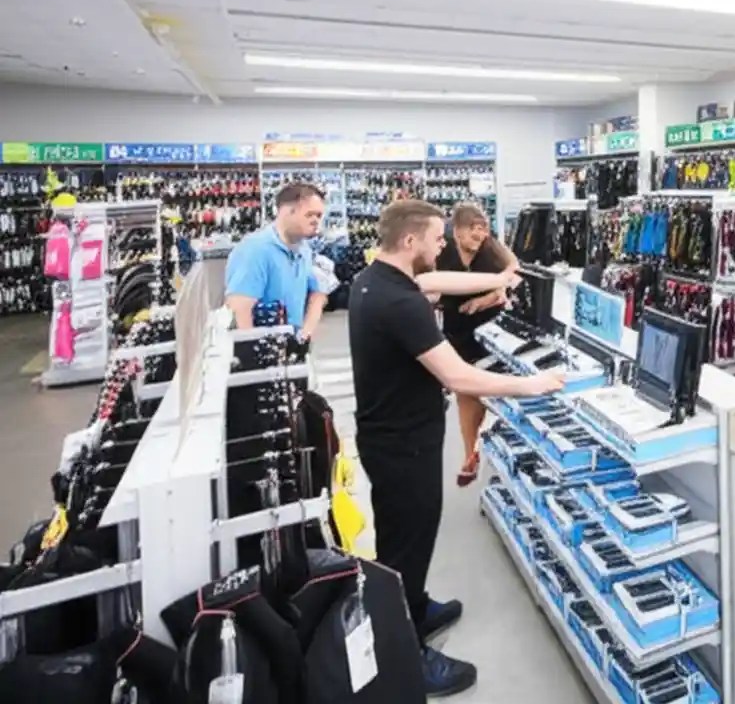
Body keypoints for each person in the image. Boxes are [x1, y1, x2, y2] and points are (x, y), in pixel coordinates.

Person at [347, 200, 563, 696]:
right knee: (406, 544)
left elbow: (442, 284)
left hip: (393, 436)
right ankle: (404, 654)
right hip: (404, 445)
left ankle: (416, 609)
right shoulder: (398, 302)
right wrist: (531, 385)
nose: (443, 246)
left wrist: (501, 279)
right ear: (410, 241)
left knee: (412, 536)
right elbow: (457, 375)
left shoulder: (377, 279)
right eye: (436, 239)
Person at [435, 203, 518, 486]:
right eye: (473, 232)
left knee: (491, 387)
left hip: (491, 326)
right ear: (456, 231)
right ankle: (470, 452)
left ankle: (493, 447)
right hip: (457, 328)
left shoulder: (491, 248)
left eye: (483, 232)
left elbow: (514, 272)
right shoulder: (442, 250)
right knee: (466, 391)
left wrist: (487, 297)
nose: (479, 237)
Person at [224, 182, 328, 337]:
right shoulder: (256, 249)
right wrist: (253, 353)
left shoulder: (304, 249)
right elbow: (240, 308)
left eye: (319, 215)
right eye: (309, 214)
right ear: (287, 212)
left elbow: (319, 294)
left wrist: (304, 336)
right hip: (262, 350)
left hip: (288, 347)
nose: (315, 221)